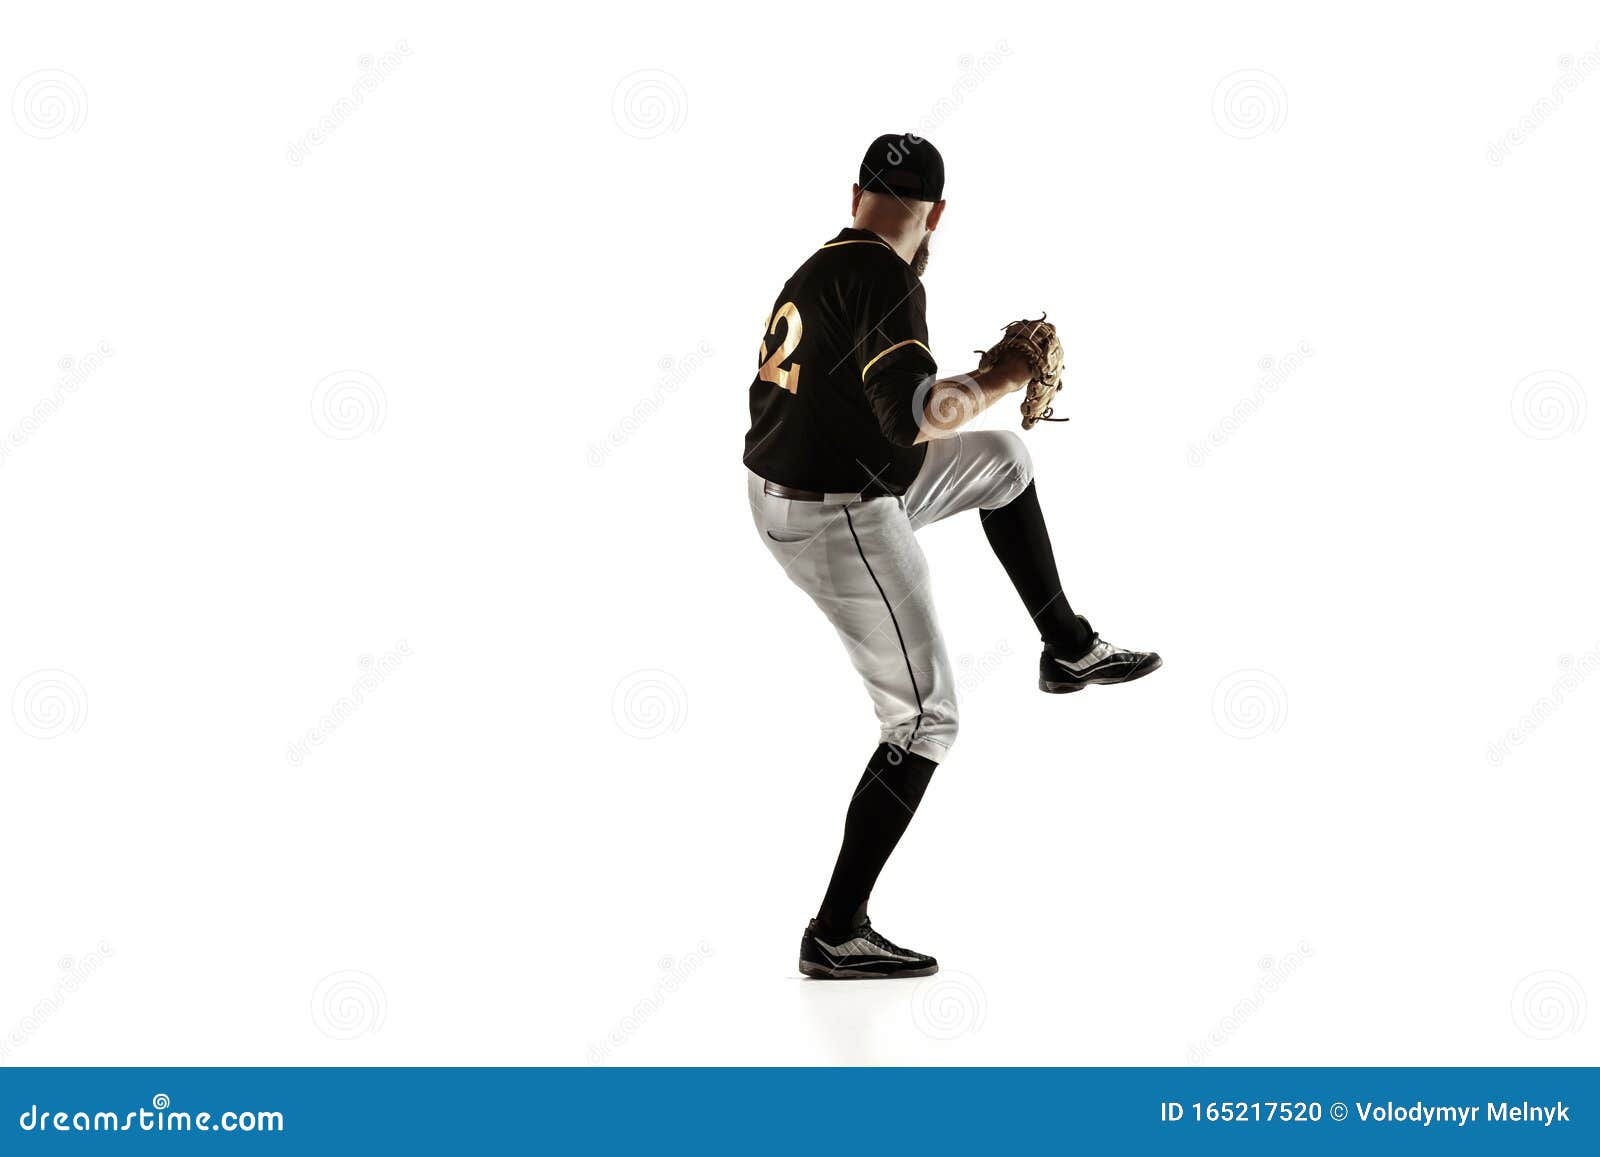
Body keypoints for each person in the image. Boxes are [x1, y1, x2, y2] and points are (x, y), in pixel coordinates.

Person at [743, 133, 1161, 978]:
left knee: (1006, 462)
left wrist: (980, 396)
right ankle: (837, 929)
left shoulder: (826, 263)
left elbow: (882, 410)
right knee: (926, 718)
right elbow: (916, 417)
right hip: (837, 514)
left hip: (819, 481)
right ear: (938, 213)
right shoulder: (885, 276)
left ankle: (1066, 644)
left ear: (853, 193)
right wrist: (1005, 372)